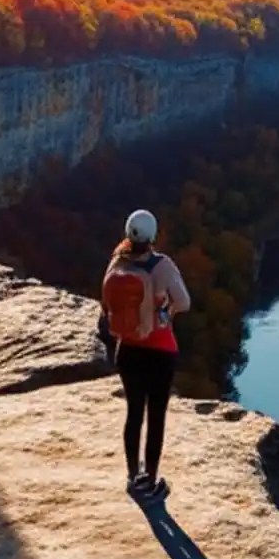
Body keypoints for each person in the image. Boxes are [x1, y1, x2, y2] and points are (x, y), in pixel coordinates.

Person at [101, 209, 190, 499]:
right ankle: (150, 481)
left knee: (134, 413)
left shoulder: (117, 262)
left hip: (127, 349)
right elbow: (184, 302)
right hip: (160, 351)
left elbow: (107, 305)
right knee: (156, 417)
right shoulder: (162, 266)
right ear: (153, 236)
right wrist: (165, 311)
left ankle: (131, 475)